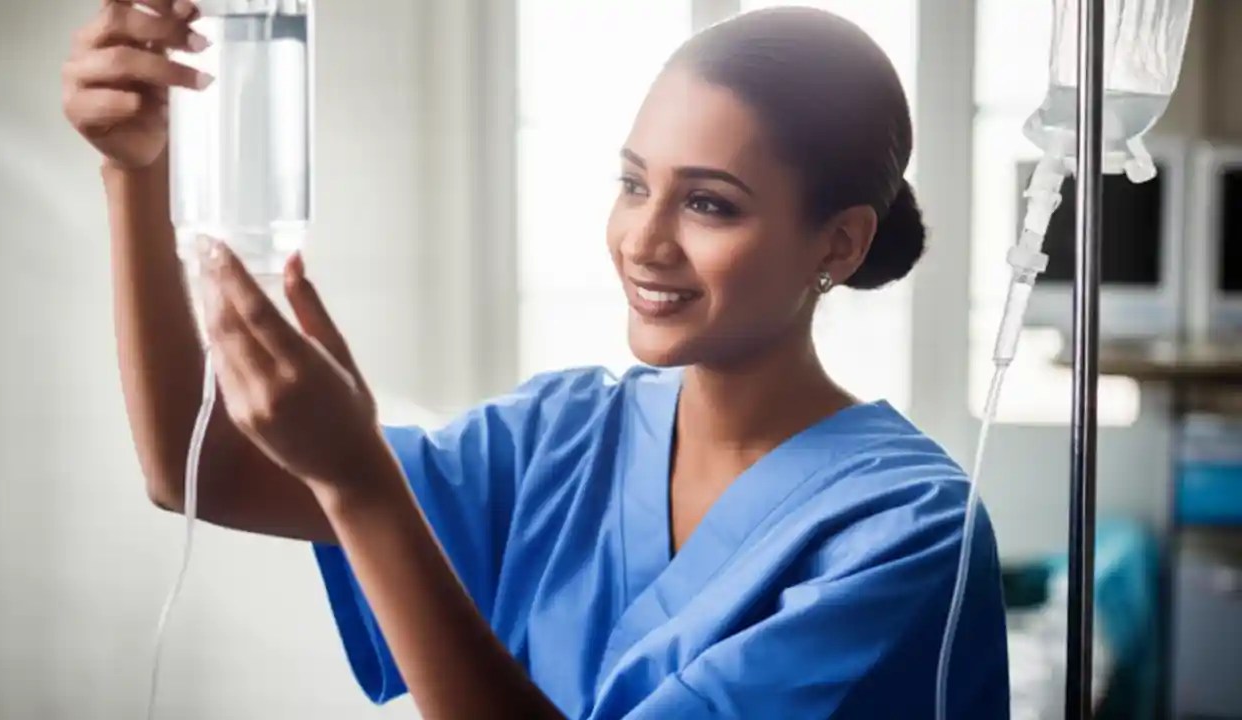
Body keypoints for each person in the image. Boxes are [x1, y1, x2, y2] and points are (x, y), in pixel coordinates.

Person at [62, 3, 1009, 718]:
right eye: (633, 183)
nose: (643, 241)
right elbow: (200, 468)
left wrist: (361, 485)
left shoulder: (910, 535)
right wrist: (133, 170)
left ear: (838, 243)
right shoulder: (562, 439)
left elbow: (346, 487)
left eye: (709, 203)